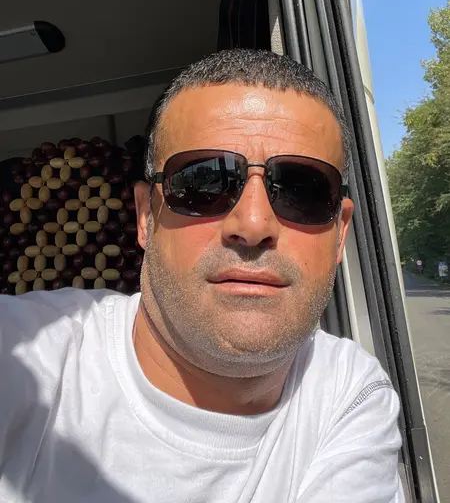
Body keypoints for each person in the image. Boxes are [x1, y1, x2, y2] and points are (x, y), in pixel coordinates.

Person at [0, 49, 404, 502]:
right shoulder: (23, 354)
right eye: (202, 182)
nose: (253, 225)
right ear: (145, 217)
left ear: (340, 232)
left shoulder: (351, 394)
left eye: (302, 189)